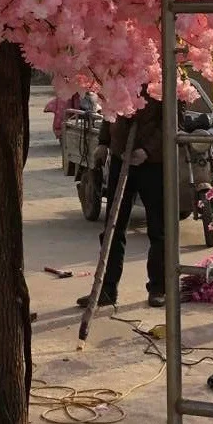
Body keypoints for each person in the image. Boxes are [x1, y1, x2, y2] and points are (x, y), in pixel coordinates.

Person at [76, 87, 170, 311]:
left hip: (153, 163)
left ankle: (158, 288)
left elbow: (171, 122)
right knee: (113, 227)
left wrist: (147, 150)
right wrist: (104, 141)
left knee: (158, 229)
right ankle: (106, 289)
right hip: (121, 157)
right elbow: (109, 111)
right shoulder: (118, 74)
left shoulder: (162, 80)